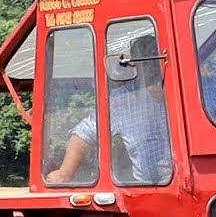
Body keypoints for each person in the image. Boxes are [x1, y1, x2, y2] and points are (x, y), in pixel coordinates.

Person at [46, 35, 172, 186]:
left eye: (153, 59)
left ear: (166, 61)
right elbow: (83, 133)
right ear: (136, 66)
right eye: (144, 61)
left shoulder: (197, 92)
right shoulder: (124, 100)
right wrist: (64, 172)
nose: (150, 67)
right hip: (151, 192)